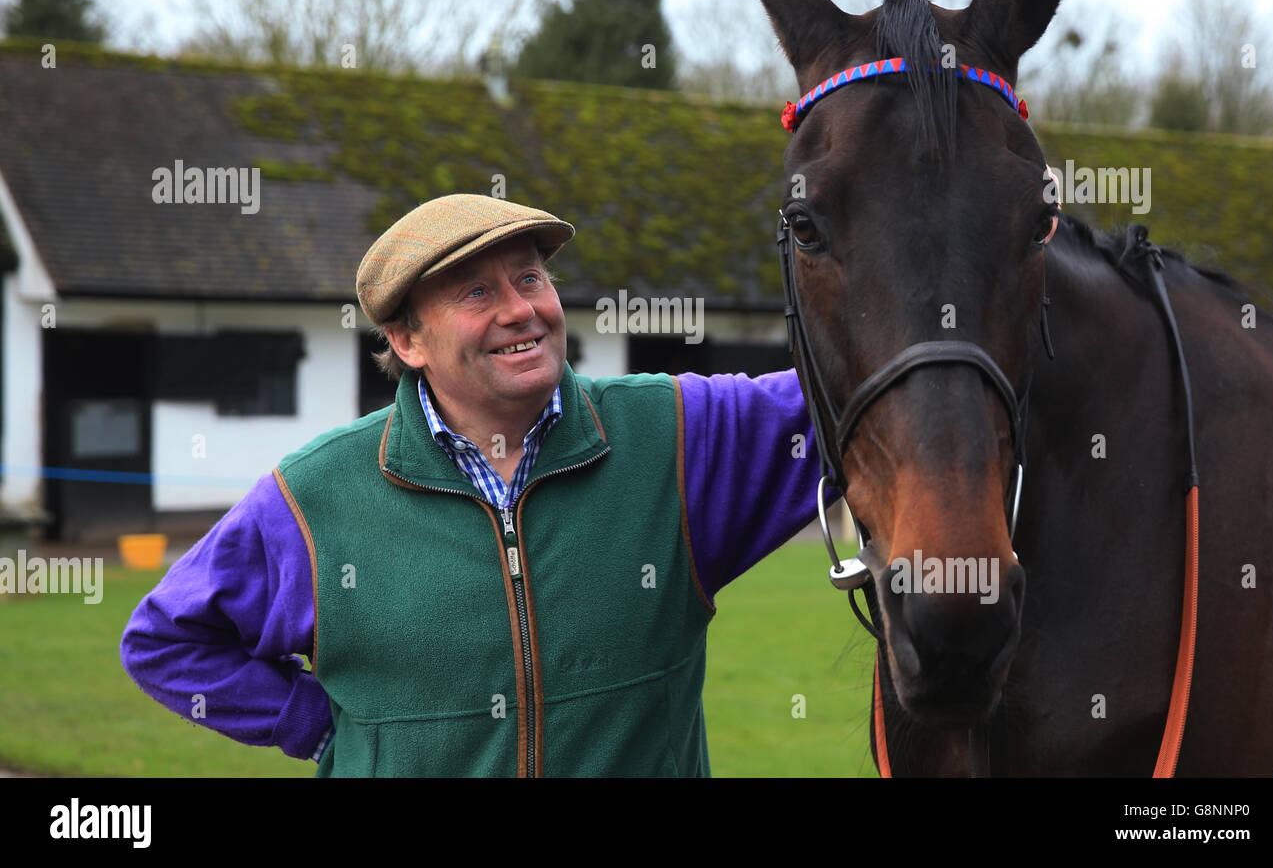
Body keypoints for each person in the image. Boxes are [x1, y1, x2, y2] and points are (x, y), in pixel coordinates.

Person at [120, 193, 831, 777]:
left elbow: (859, 391)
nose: (520, 309)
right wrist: (319, 725)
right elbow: (165, 638)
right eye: (477, 292)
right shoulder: (315, 496)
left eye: (530, 278)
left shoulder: (678, 434)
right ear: (407, 340)